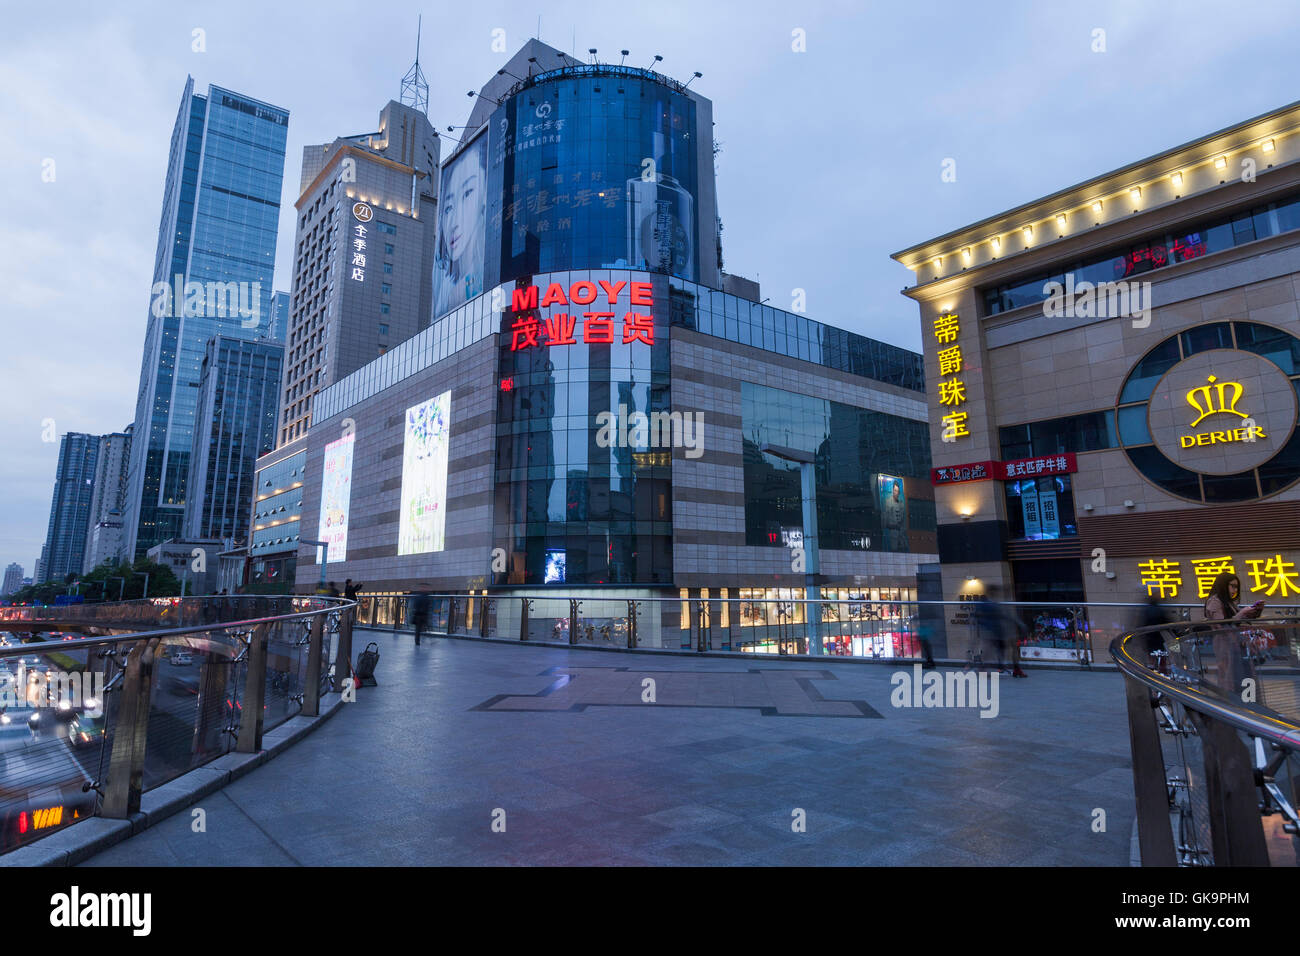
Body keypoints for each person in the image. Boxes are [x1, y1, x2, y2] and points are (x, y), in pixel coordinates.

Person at [1203, 571, 1264, 699]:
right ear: (1223, 585)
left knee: (1243, 674)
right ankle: (1234, 704)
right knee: (1230, 676)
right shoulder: (1215, 602)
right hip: (1225, 644)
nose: (1235, 590)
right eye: (1232, 586)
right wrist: (1242, 613)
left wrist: (1254, 612)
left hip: (1236, 643)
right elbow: (1221, 625)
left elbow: (1235, 621)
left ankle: (1248, 702)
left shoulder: (1227, 602)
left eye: (1236, 587)